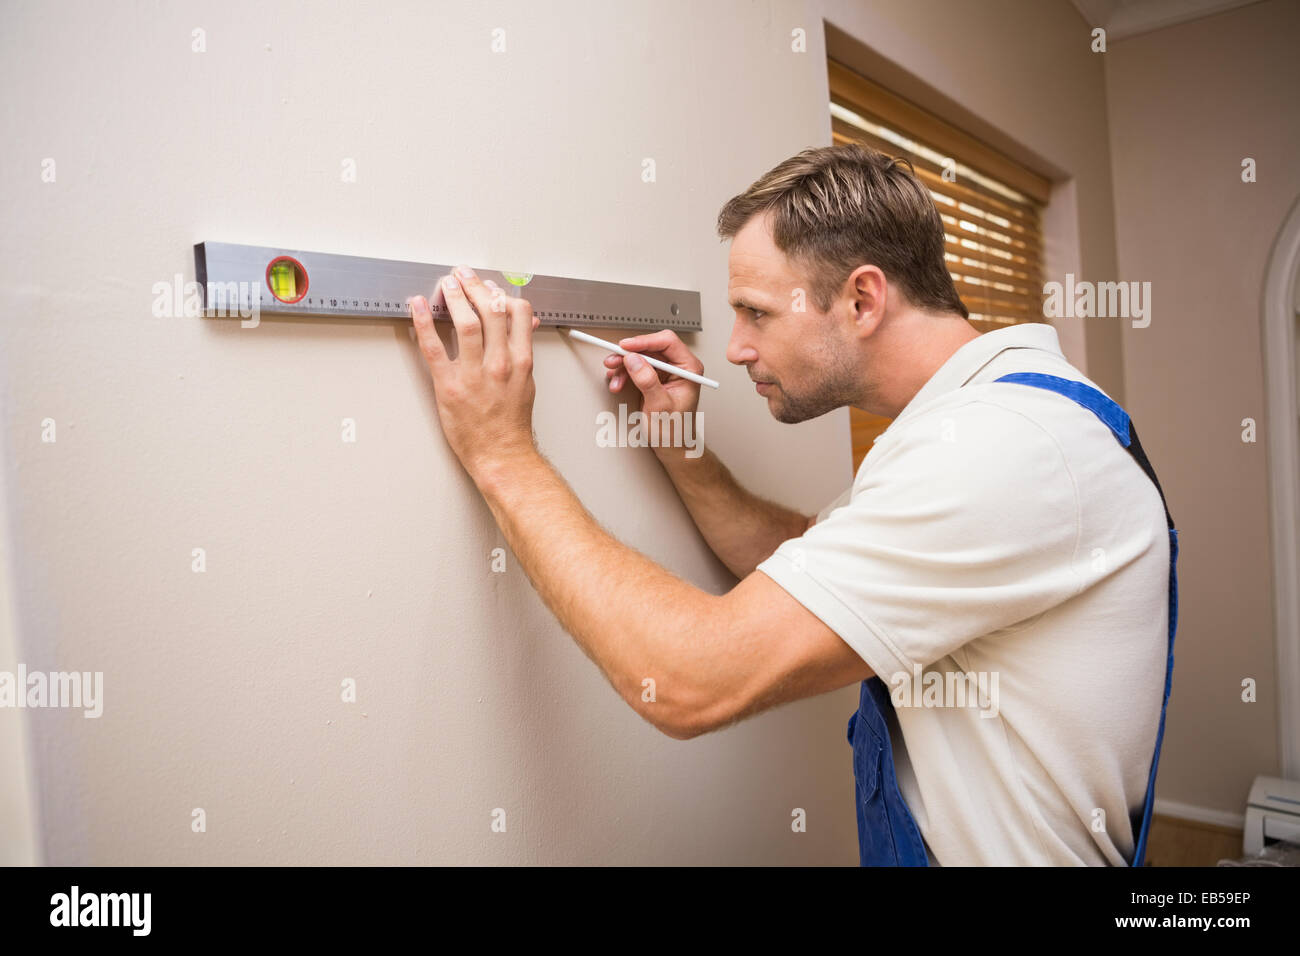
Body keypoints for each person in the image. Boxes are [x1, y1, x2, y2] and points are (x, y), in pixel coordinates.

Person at [408, 142, 1176, 867]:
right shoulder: (982, 416)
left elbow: (686, 679)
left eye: (758, 312)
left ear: (863, 298)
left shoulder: (1003, 447)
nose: (736, 346)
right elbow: (812, 562)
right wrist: (683, 448)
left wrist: (502, 453)